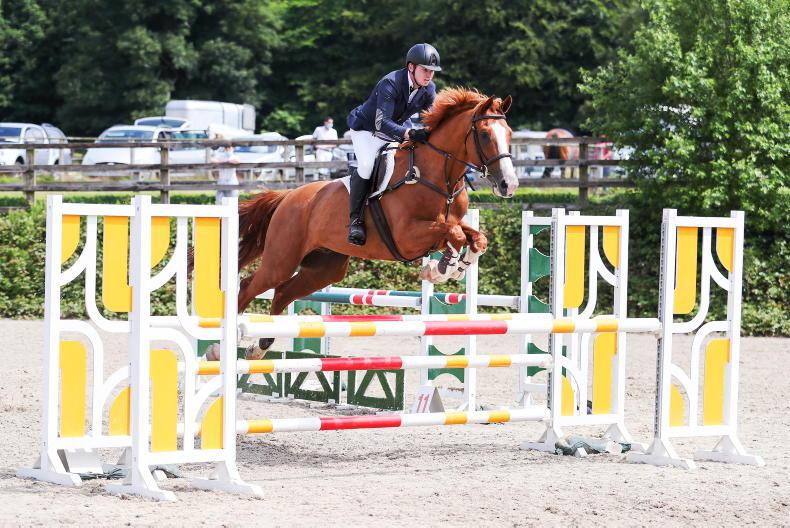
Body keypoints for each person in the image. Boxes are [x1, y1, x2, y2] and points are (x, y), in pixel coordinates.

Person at [345, 43, 441, 245]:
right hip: (367, 128)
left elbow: (434, 117)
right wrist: (409, 132)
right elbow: (381, 123)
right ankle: (355, 220)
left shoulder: (429, 89)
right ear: (411, 67)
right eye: (425, 70)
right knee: (366, 165)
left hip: (395, 127)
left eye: (432, 71)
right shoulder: (390, 83)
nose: (429, 75)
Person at [210, 133, 240, 203]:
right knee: (219, 203)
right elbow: (211, 160)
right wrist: (226, 161)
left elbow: (236, 161)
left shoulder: (233, 155)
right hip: (221, 182)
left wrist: (229, 154)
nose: (227, 149)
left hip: (232, 183)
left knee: (232, 204)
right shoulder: (219, 154)